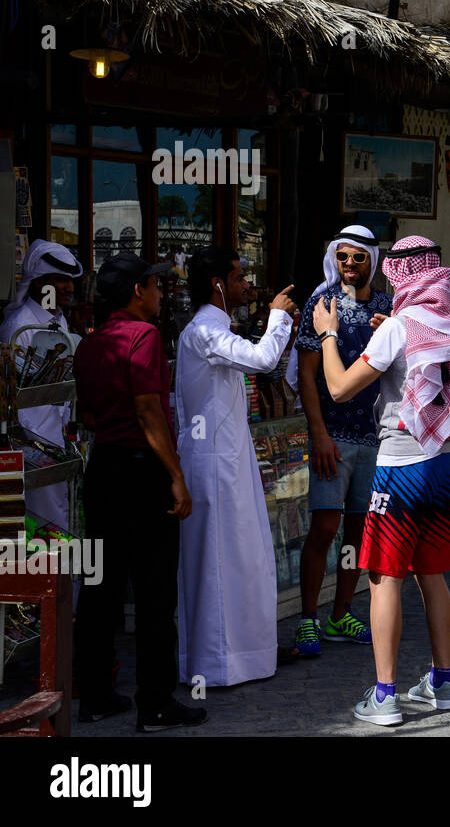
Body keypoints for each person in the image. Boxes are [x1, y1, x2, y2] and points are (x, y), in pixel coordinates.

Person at [313, 236, 450, 726]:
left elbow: (340, 386)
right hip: (444, 460)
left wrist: (328, 334)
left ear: (401, 275)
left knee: (384, 577)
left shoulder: (397, 327)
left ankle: (386, 694)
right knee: (430, 572)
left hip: (400, 463)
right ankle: (442, 681)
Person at [71, 252, 207, 732]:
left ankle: (96, 695)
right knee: (153, 592)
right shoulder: (143, 336)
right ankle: (155, 703)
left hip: (104, 466)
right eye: (154, 284)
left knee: (100, 589)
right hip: (140, 468)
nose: (160, 292)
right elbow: (150, 411)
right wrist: (175, 474)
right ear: (136, 291)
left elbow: (88, 416)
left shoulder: (90, 344)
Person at [174, 247, 296, 687]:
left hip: (227, 455)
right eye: (239, 277)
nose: (248, 284)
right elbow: (263, 360)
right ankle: (217, 662)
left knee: (242, 554)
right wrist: (277, 317)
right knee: (219, 559)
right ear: (217, 285)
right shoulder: (205, 329)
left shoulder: (214, 328)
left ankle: (246, 654)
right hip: (212, 461)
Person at [289, 225, 392, 655]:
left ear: (372, 260)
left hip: (376, 437)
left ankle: (341, 614)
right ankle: (308, 618)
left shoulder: (389, 307)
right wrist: (319, 435)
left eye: (358, 257)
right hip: (332, 437)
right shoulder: (322, 302)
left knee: (359, 529)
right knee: (324, 526)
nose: (349, 264)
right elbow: (307, 375)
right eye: (343, 257)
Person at [0, 240, 83, 533]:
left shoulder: (57, 321)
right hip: (34, 452)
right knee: (44, 528)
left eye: (70, 280)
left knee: (62, 527)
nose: (69, 288)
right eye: (60, 280)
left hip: (58, 444)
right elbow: (19, 407)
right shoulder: (19, 328)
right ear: (39, 283)